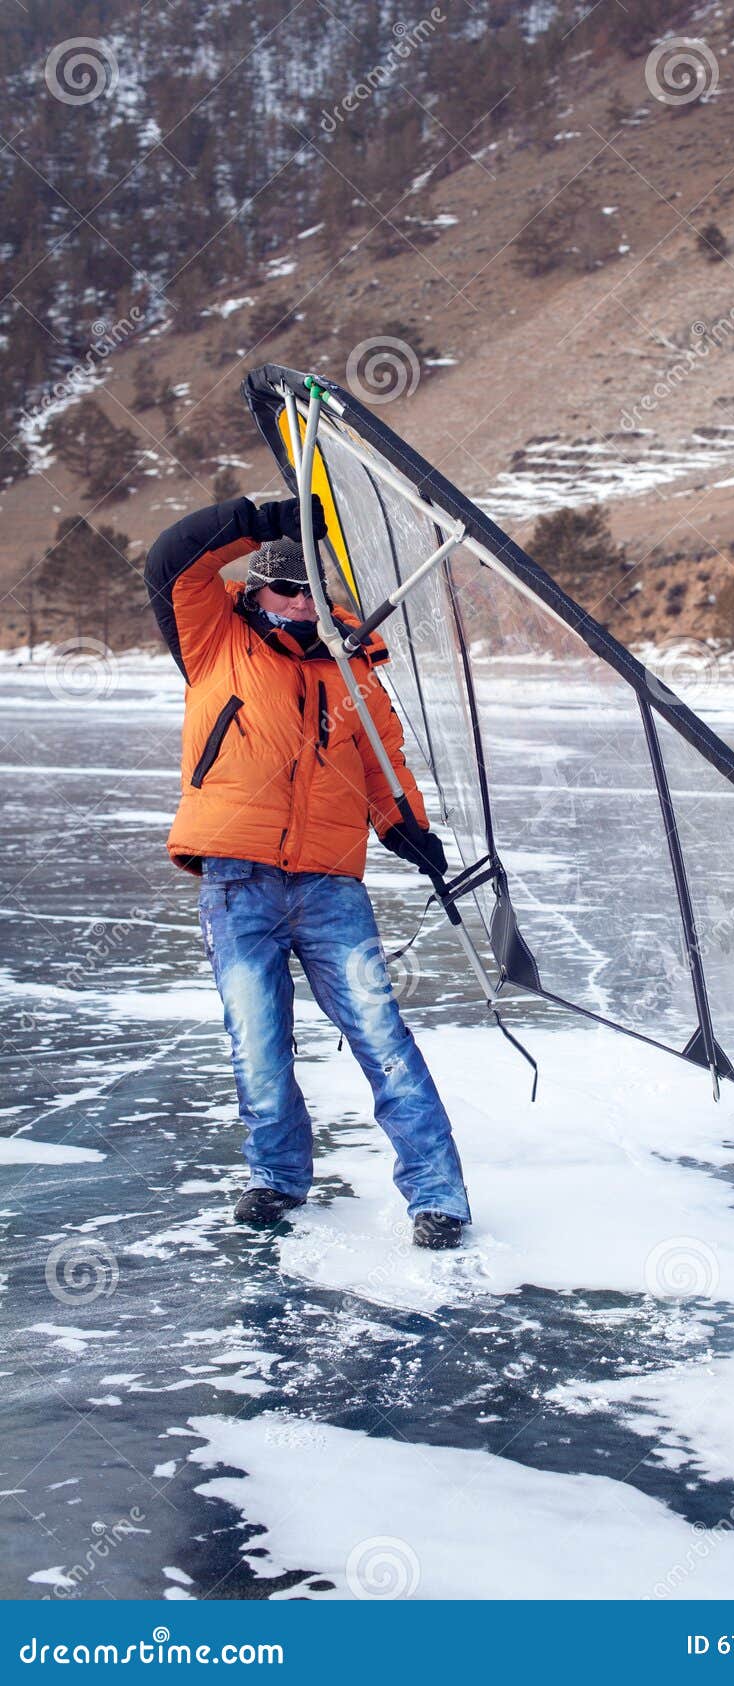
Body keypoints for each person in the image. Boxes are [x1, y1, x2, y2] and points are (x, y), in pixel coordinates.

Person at [144, 491, 470, 1247]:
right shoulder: (213, 639)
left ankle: (438, 1195)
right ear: (254, 590)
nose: (294, 601)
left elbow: (382, 759)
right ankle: (277, 1177)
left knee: (381, 1035)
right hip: (238, 877)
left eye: (307, 589)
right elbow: (170, 560)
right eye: (280, 587)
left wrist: (405, 828)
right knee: (258, 1040)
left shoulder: (352, 669)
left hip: (329, 883)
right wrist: (260, 519)